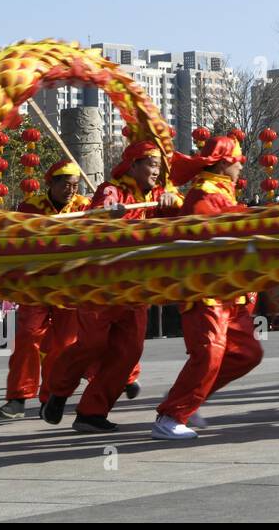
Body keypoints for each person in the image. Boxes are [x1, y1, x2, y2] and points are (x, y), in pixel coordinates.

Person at [42, 139, 181, 433]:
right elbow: (95, 219)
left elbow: (179, 215)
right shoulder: (111, 190)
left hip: (135, 288)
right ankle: (58, 391)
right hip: (101, 284)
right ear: (134, 166)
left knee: (129, 351)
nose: (157, 171)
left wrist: (172, 204)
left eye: (159, 166)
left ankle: (92, 412)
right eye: (152, 165)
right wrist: (111, 215)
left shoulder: (158, 195)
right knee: (92, 343)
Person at [152, 135, 265, 440]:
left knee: (248, 352)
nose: (241, 167)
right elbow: (209, 235)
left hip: (231, 292)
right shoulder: (202, 195)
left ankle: (190, 396)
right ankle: (170, 416)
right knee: (210, 352)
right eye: (238, 161)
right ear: (224, 162)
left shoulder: (222, 193)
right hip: (205, 290)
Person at [0, 160, 89, 420]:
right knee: (26, 335)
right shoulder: (30, 207)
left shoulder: (84, 206)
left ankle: (50, 398)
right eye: (65, 185)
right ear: (51, 184)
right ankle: (18, 398)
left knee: (63, 343)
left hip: (68, 285)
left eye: (74, 185)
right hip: (35, 283)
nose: (70, 190)